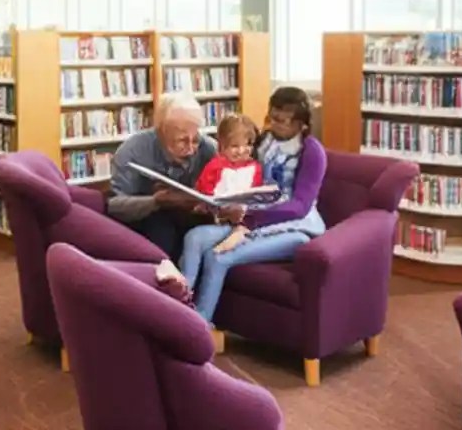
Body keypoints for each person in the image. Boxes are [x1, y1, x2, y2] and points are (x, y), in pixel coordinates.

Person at [176, 86, 327, 324]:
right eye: (271, 117)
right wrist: (216, 200)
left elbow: (299, 207)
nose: (273, 125)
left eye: (282, 121)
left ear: (301, 124)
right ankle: (178, 308)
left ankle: (199, 324)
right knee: (194, 237)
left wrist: (248, 219)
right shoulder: (265, 140)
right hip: (251, 215)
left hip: (293, 227)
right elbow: (241, 170)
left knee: (218, 257)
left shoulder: (312, 152)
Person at [108, 92, 230, 258]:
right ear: (161, 131)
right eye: (181, 140)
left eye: (195, 139)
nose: (191, 149)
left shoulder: (208, 148)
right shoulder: (132, 151)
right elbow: (114, 206)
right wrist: (155, 201)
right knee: (160, 225)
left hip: (194, 217)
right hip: (150, 221)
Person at [193, 114, 270, 254]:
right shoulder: (215, 166)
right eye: (235, 146)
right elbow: (203, 193)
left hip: (245, 221)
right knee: (194, 239)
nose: (241, 151)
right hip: (218, 220)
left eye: (248, 145)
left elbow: (257, 196)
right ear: (222, 146)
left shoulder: (256, 168)